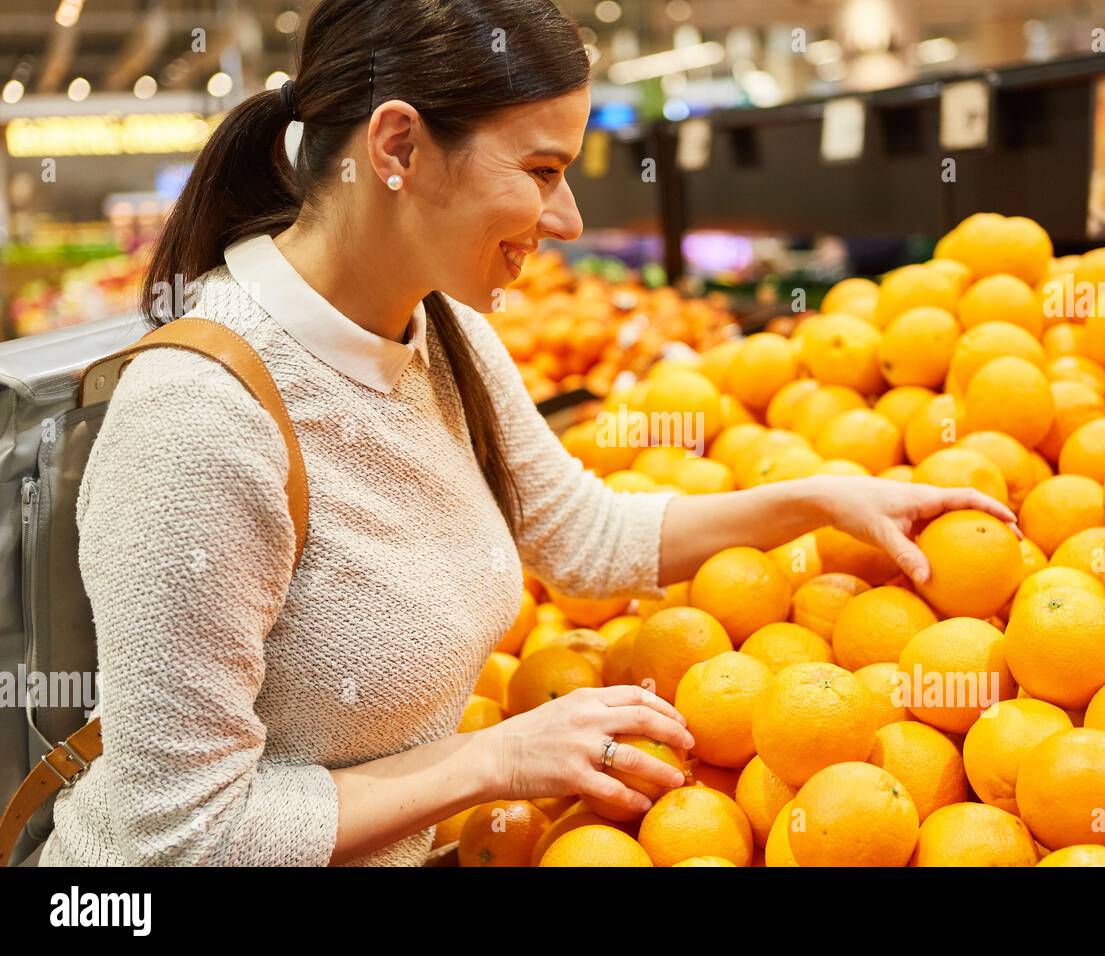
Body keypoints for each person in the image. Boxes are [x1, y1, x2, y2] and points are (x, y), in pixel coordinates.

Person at [41, 0, 1015, 867]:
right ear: (397, 149)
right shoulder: (201, 420)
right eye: (542, 169)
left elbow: (584, 537)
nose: (568, 216)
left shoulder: (445, 328)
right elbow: (185, 837)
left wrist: (818, 499)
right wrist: (491, 757)